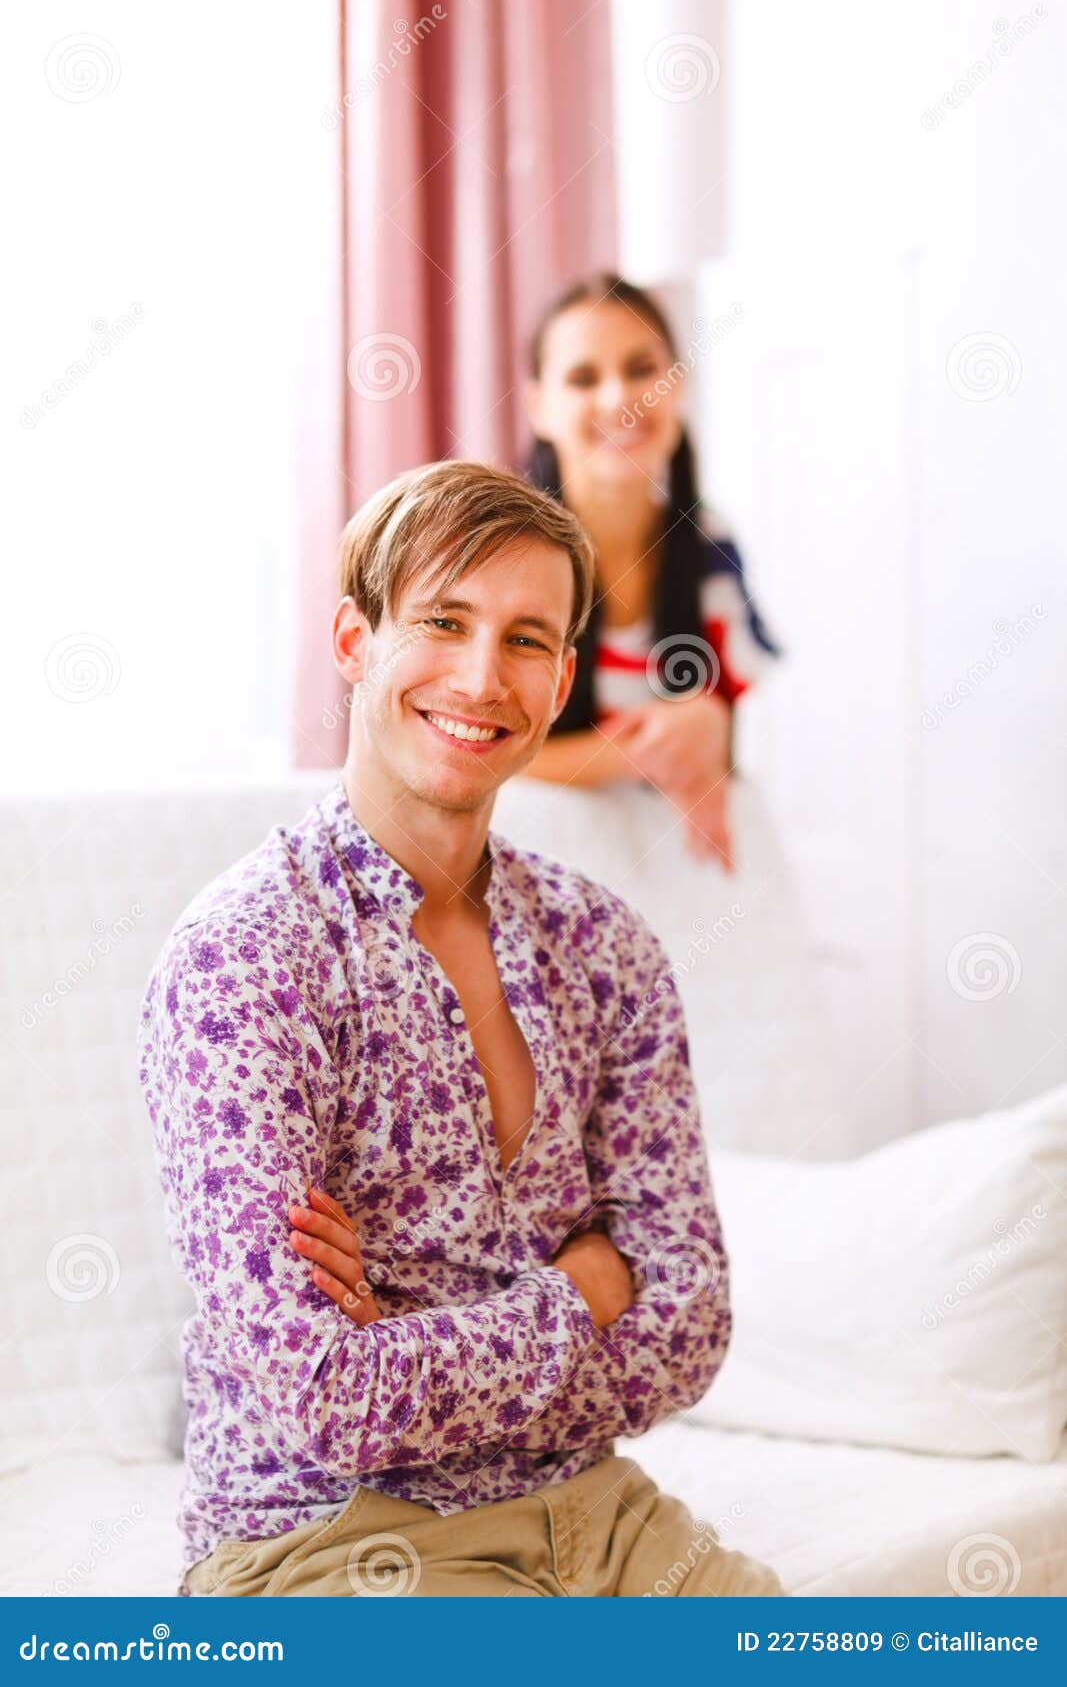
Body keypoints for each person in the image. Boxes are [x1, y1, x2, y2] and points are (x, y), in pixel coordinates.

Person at [137, 460, 785, 1599]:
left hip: (600, 1514)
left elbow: (690, 1325)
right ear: (353, 641)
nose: (483, 676)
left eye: (527, 639)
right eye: (442, 621)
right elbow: (323, 1395)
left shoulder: (605, 947)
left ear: (562, 678)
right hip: (329, 1537)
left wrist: (413, 1334)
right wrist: (579, 1289)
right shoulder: (245, 955)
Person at [521, 272, 780, 871]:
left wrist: (710, 726)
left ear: (676, 386)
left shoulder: (711, 546)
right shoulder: (503, 560)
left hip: (657, 875)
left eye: (641, 370)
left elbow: (715, 748)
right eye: (584, 378)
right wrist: (631, 750)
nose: (620, 398)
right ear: (538, 408)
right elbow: (473, 761)